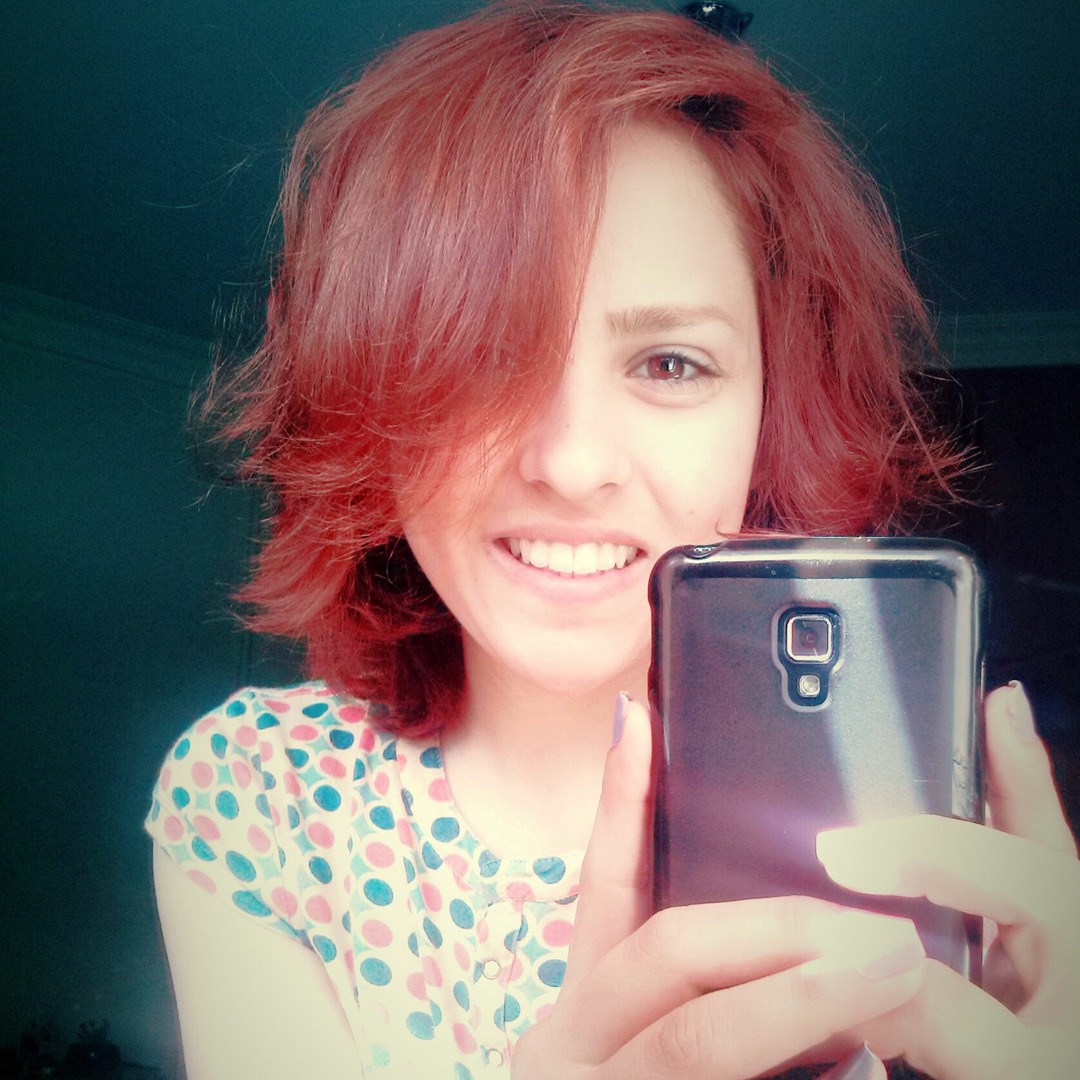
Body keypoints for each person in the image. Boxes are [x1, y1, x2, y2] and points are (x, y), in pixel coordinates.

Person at [146, 3, 1080, 1077]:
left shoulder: (898, 815)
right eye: (482, 358)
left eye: (671, 364)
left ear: (766, 413)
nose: (572, 461)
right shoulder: (256, 795)